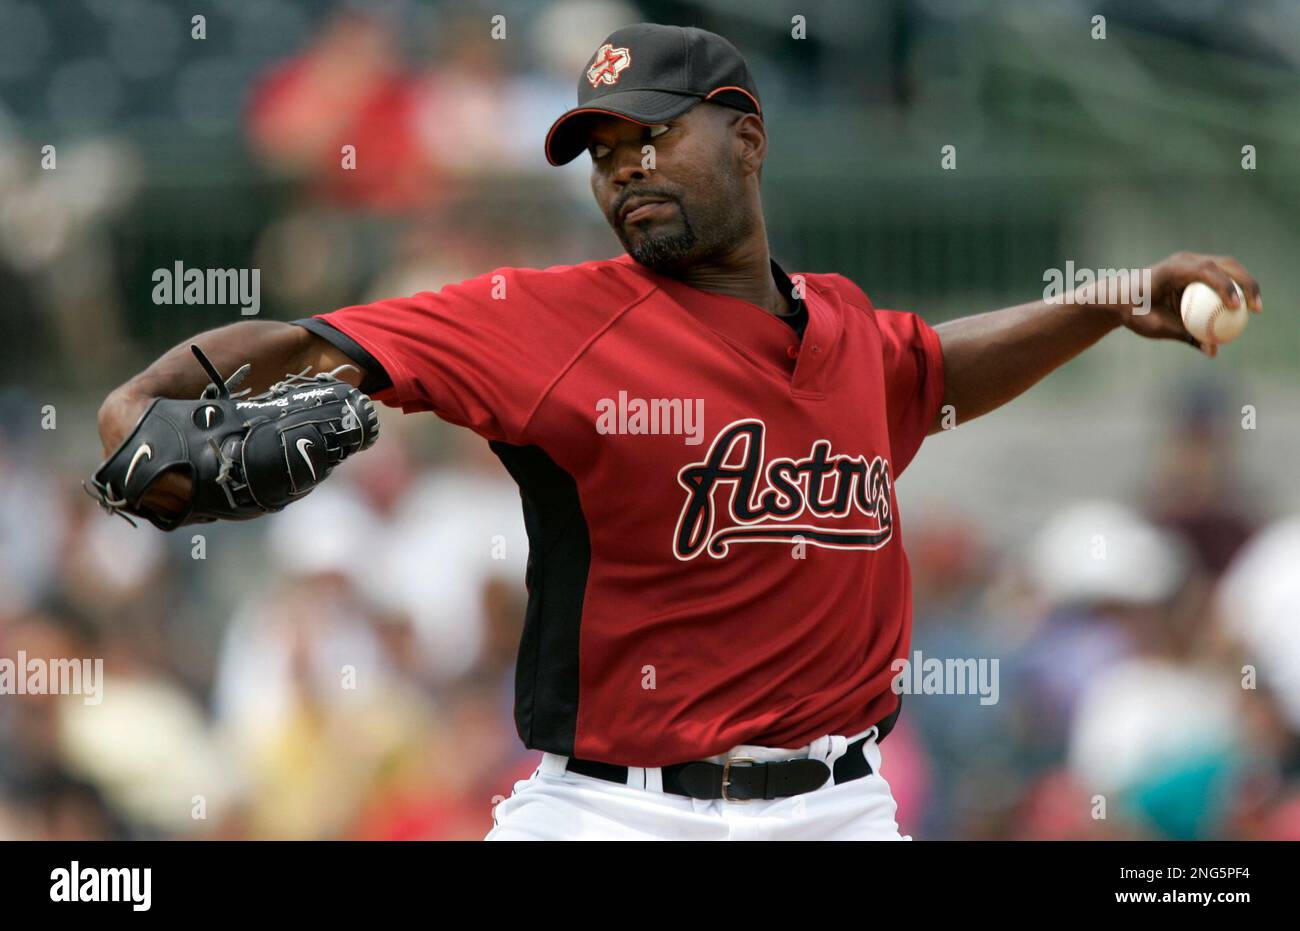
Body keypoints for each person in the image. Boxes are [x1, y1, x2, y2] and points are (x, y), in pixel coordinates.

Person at [95, 24, 1263, 840]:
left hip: (840, 811)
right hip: (614, 812)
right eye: (603, 154)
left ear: (747, 137)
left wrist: (1106, 302)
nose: (625, 171)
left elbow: (935, 371)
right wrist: (139, 402)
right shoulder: (545, 319)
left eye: (651, 136)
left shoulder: (851, 333)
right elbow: (310, 342)